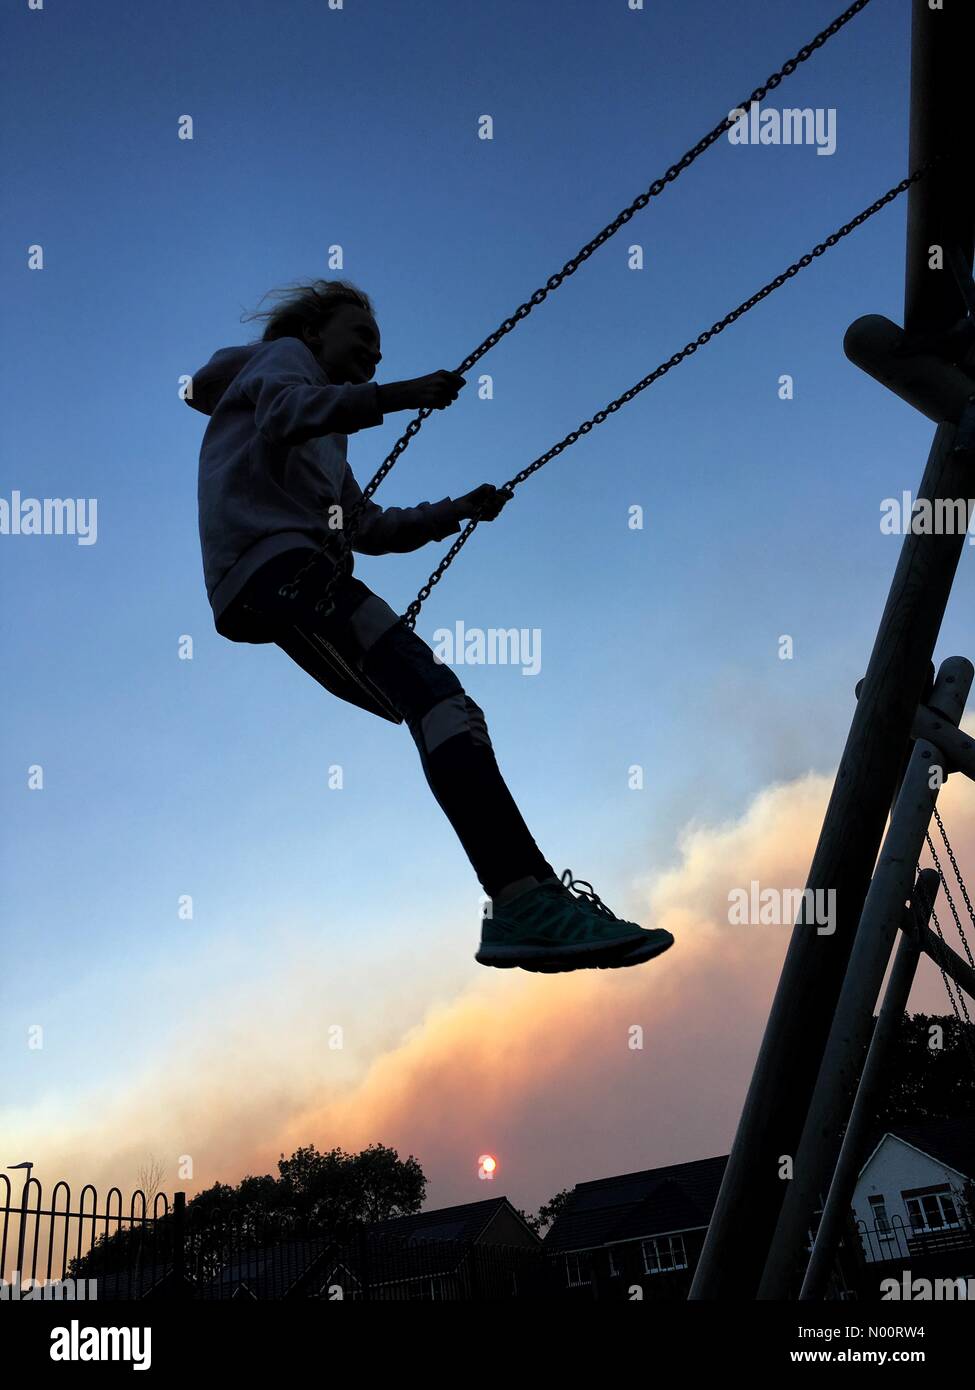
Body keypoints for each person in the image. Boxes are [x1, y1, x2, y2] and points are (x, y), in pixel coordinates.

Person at [187, 278, 673, 973]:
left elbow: (368, 527)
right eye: (363, 338)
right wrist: (401, 395)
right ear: (317, 328)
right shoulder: (283, 362)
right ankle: (521, 900)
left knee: (438, 704)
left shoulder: (328, 438)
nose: (374, 357)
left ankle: (522, 897)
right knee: (441, 702)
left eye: (381, 353)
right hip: (279, 568)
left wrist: (458, 509)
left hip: (287, 576)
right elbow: (284, 413)